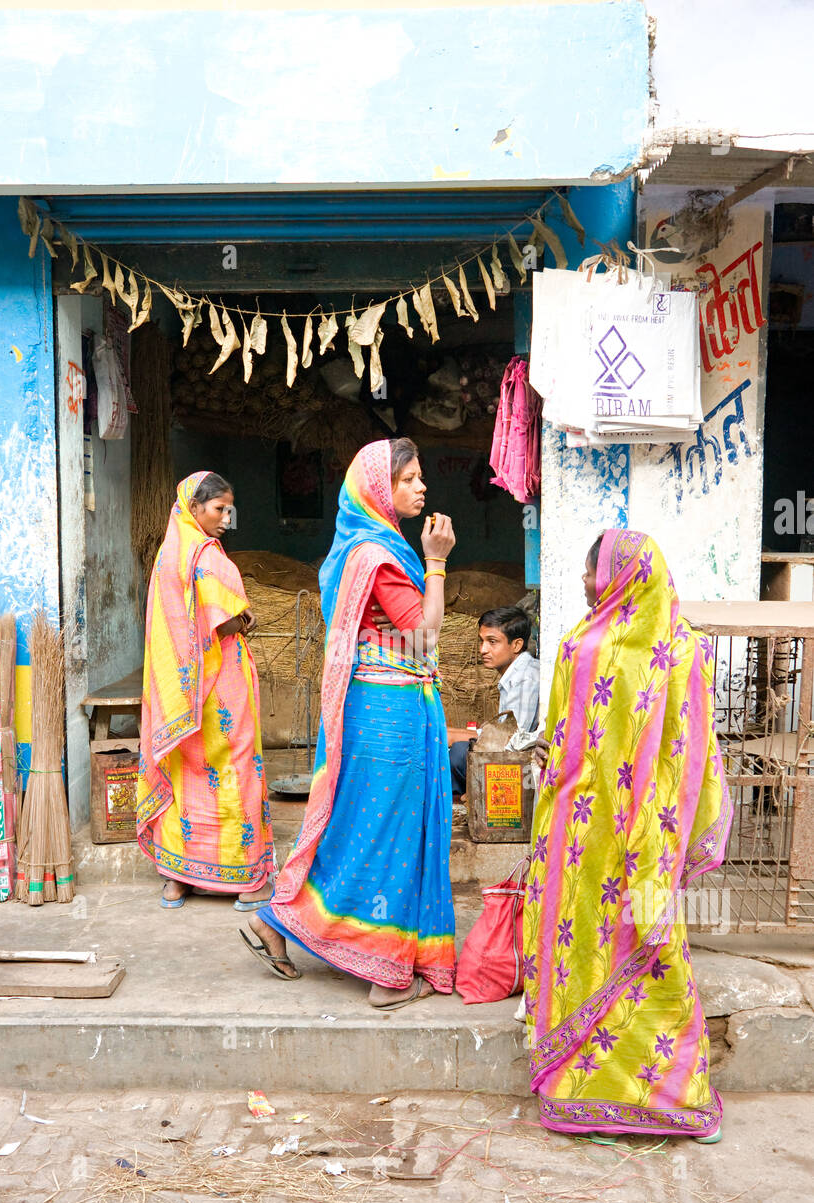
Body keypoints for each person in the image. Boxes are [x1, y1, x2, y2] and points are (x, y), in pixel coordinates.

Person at [522, 529, 732, 1141]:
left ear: (613, 577)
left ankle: (577, 1093)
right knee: (655, 949)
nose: (586, 583)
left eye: (592, 572)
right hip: (650, 844)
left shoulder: (577, 647)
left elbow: (560, 753)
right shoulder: (687, 651)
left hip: (581, 839)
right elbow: (699, 756)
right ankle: (674, 1097)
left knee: (581, 954)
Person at [240, 437, 458, 1009]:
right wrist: (436, 561)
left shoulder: (354, 549)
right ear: (380, 491)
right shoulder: (377, 557)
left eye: (419, 478)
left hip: (375, 705)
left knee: (359, 825)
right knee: (390, 830)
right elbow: (424, 635)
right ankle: (385, 971)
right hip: (390, 714)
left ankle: (277, 923)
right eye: (408, 479)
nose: (421, 487)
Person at [137, 471, 276, 908]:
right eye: (219, 509)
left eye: (228, 510)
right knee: (236, 769)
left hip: (179, 697)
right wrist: (243, 620)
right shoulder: (206, 554)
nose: (225, 519)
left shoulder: (167, 555)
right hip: (222, 687)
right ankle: (247, 880)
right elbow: (225, 621)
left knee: (184, 773)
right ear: (193, 507)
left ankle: (177, 879)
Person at [447, 605, 540, 798]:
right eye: (482, 641)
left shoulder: (525, 679)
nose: (483, 650)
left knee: (458, 753)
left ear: (516, 645)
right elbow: (500, 732)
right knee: (450, 741)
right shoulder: (515, 674)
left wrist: (459, 737)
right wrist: (453, 733)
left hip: (520, 770)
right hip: (508, 756)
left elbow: (513, 742)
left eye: (492, 642)